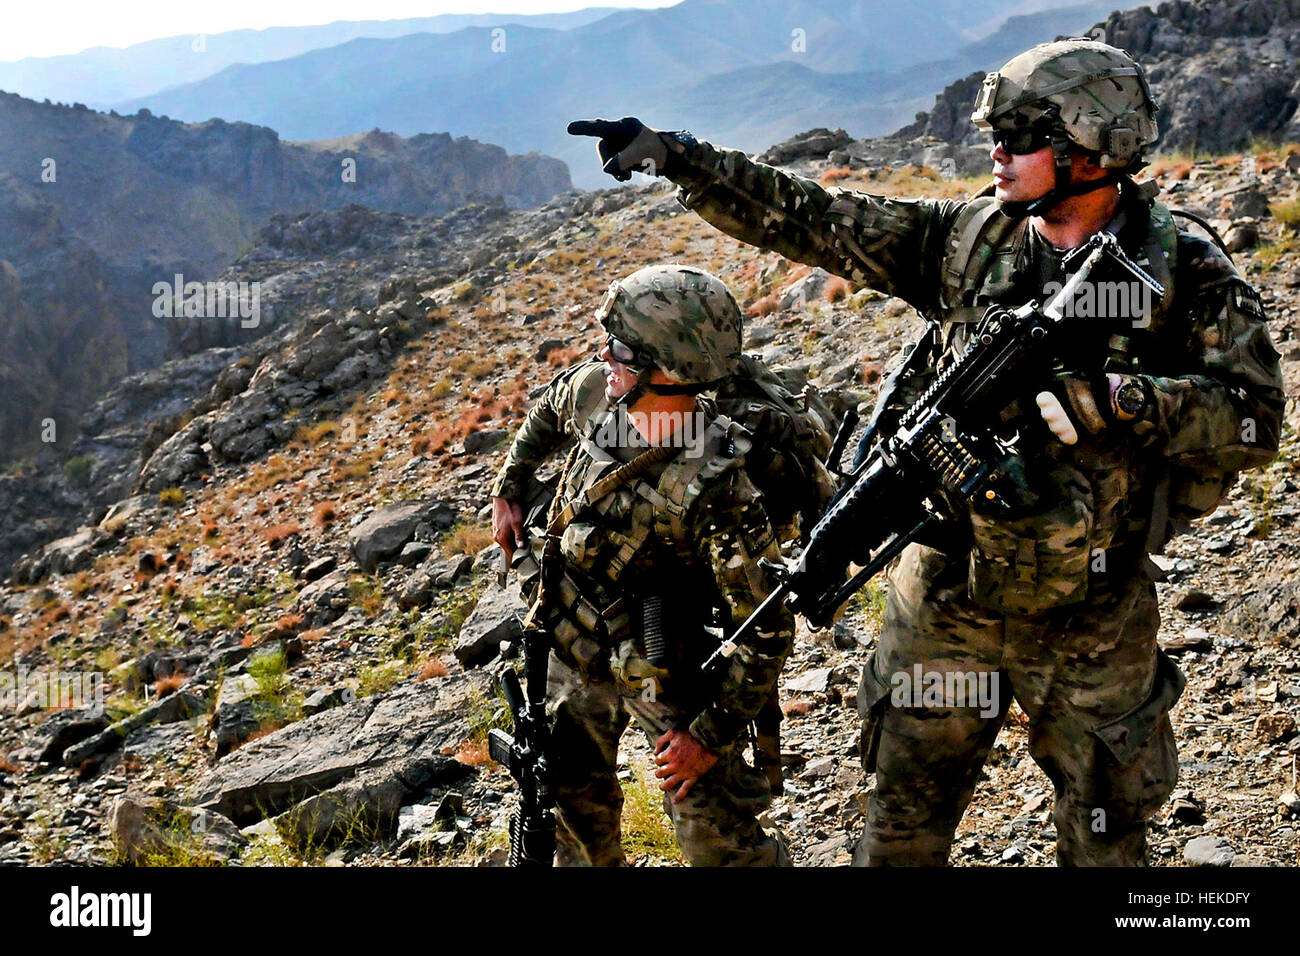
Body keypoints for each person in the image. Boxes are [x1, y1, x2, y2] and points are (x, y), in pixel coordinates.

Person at [569, 38, 1285, 866]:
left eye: (1021, 133)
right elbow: (813, 220)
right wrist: (676, 157)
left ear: (1091, 144)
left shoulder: (1182, 267)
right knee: (902, 825)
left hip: (1091, 612)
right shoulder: (967, 240)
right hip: (946, 600)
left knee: (1105, 830)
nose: (998, 151)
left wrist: (1121, 402)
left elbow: (1254, 417)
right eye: (998, 131)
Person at [489, 264, 794, 866]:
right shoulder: (602, 393)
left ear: (673, 370)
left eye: (621, 349)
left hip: (665, 663)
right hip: (571, 641)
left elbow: (767, 629)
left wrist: (706, 739)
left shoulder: (718, 490)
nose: (603, 356)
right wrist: (510, 484)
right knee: (571, 806)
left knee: (717, 839)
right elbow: (549, 410)